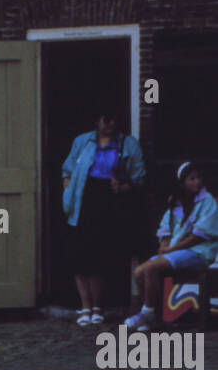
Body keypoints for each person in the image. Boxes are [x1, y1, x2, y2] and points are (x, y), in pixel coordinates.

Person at [61, 110, 145, 327]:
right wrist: (67, 195)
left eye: (114, 119)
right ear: (97, 120)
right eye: (106, 119)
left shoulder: (128, 144)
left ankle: (98, 306)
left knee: (100, 255)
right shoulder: (82, 141)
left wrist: (123, 187)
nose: (110, 123)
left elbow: (139, 177)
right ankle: (85, 306)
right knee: (79, 255)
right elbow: (67, 170)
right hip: (82, 202)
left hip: (109, 203)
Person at [125, 161, 218, 332]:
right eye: (192, 178)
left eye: (199, 178)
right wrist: (164, 244)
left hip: (198, 253)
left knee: (151, 268)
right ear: (182, 183)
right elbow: (166, 229)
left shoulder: (208, 201)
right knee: (139, 272)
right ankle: (152, 315)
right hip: (176, 252)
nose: (197, 181)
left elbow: (198, 236)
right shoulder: (176, 203)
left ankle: (147, 313)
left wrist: (171, 250)